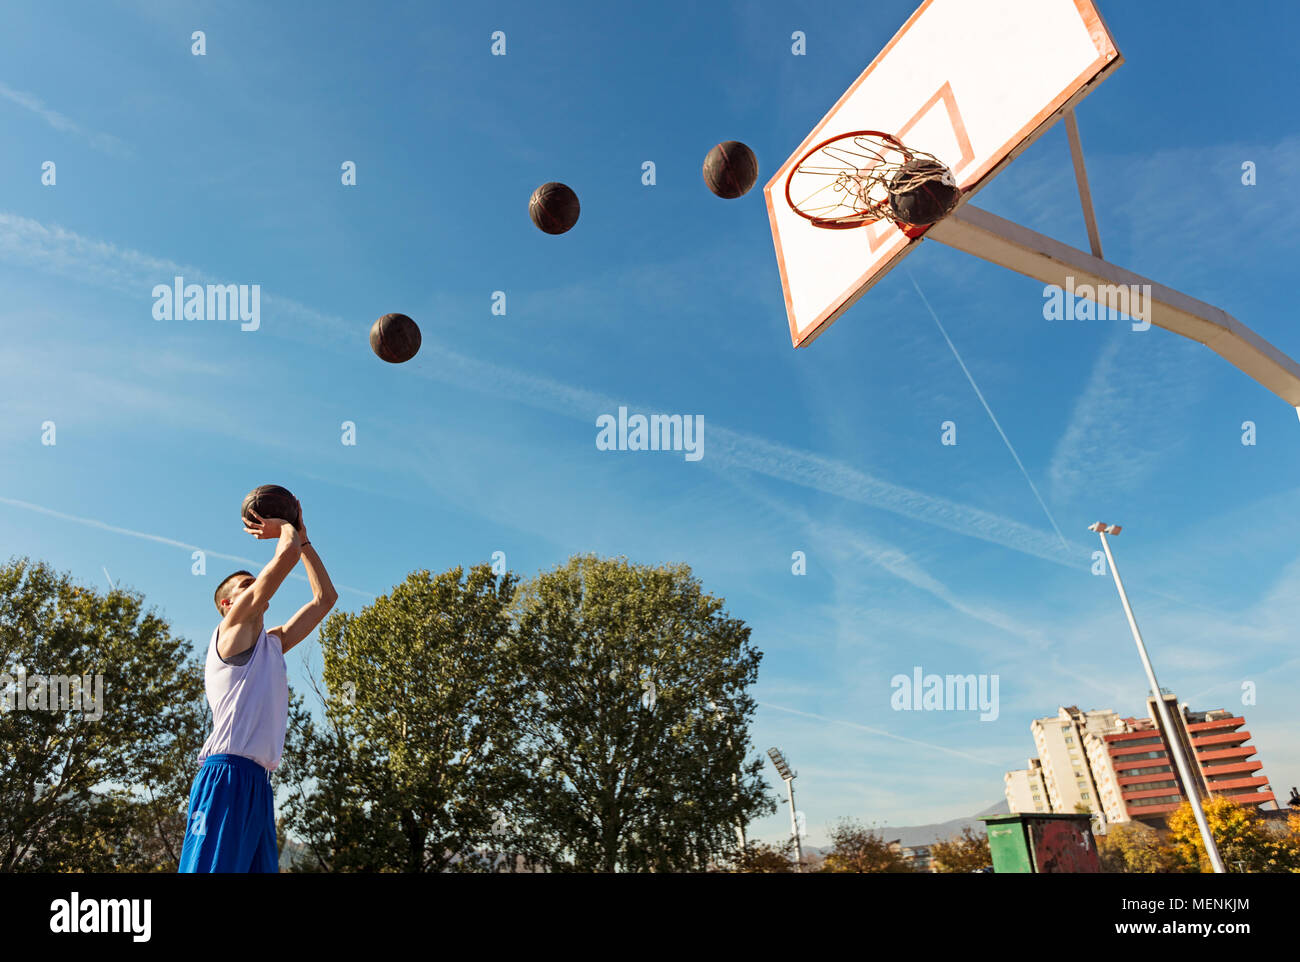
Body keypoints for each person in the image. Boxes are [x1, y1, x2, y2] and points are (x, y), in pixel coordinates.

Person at [178, 499, 337, 872]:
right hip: (225, 776)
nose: (256, 587)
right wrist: (284, 527)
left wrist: (304, 541)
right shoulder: (229, 633)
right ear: (227, 603)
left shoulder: (274, 643)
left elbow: (325, 599)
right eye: (247, 585)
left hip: (258, 785)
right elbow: (282, 563)